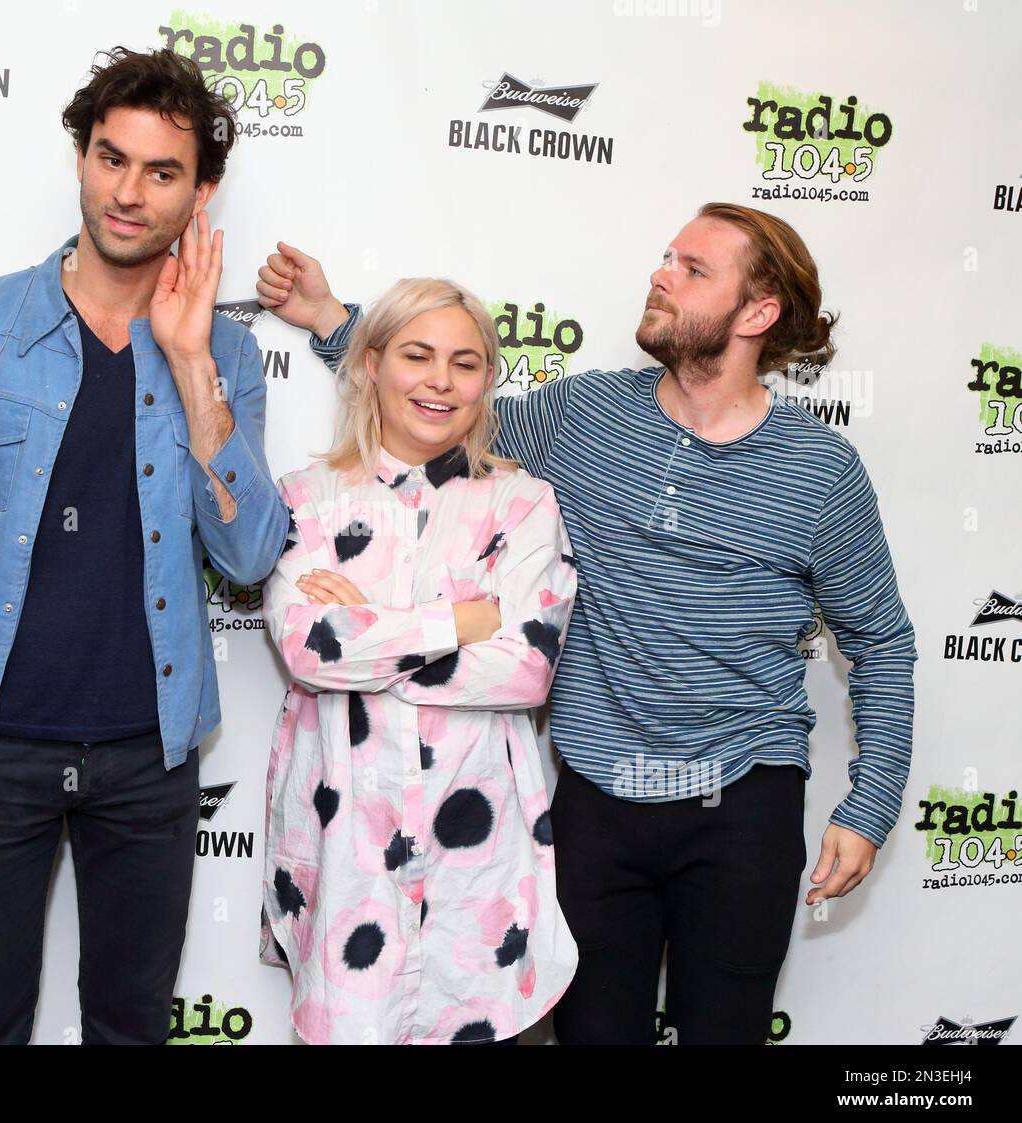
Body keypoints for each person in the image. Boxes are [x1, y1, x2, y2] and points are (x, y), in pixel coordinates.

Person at [256, 202, 918, 1045]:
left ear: (757, 314)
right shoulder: (583, 415)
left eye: (691, 269)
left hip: (744, 805)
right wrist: (330, 320)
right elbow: (438, 399)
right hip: (595, 806)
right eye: (666, 257)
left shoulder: (820, 468)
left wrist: (869, 806)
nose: (659, 274)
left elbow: (881, 642)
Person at [0, 47, 289, 1044]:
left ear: (201, 193)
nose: (128, 193)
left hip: (151, 754)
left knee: (131, 1025)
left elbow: (252, 554)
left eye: (162, 171)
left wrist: (187, 364)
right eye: (110, 157)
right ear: (82, 158)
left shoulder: (222, 351)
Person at [258, 276, 580, 1044]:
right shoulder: (306, 498)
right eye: (418, 355)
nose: (440, 380)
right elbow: (311, 648)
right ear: (371, 363)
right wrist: (466, 619)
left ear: (486, 382)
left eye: (465, 363)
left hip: (479, 860)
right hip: (347, 854)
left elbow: (526, 669)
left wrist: (371, 628)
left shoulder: (524, 502)